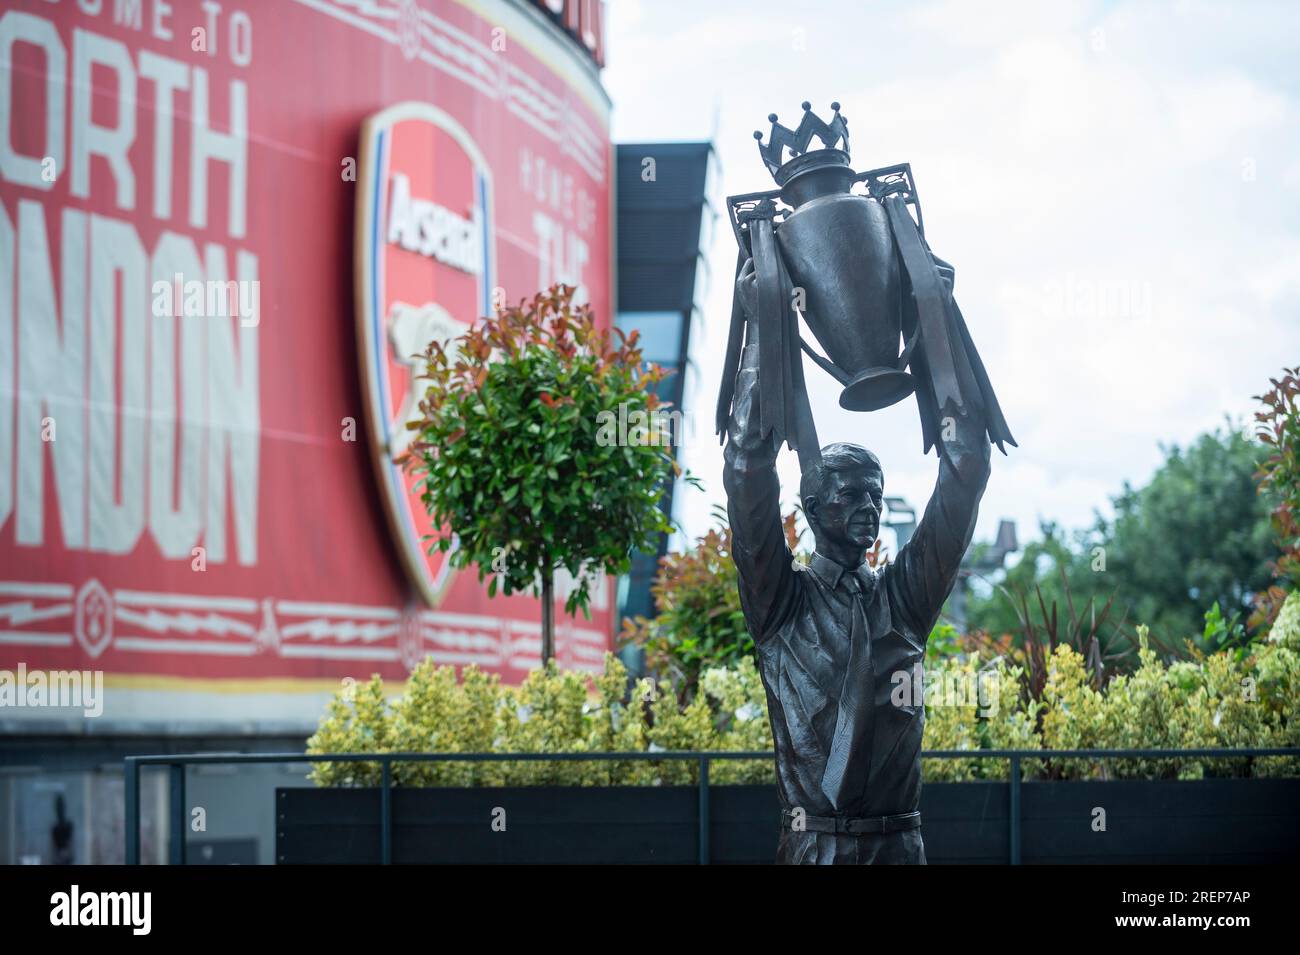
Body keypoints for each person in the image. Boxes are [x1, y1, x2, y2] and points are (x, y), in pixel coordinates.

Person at [722, 328, 992, 864]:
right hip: (812, 847)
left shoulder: (905, 602)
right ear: (814, 508)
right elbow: (747, 469)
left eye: (877, 493)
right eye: (852, 494)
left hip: (898, 847)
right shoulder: (780, 604)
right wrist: (762, 329)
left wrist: (935, 321)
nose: (870, 506)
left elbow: (966, 471)